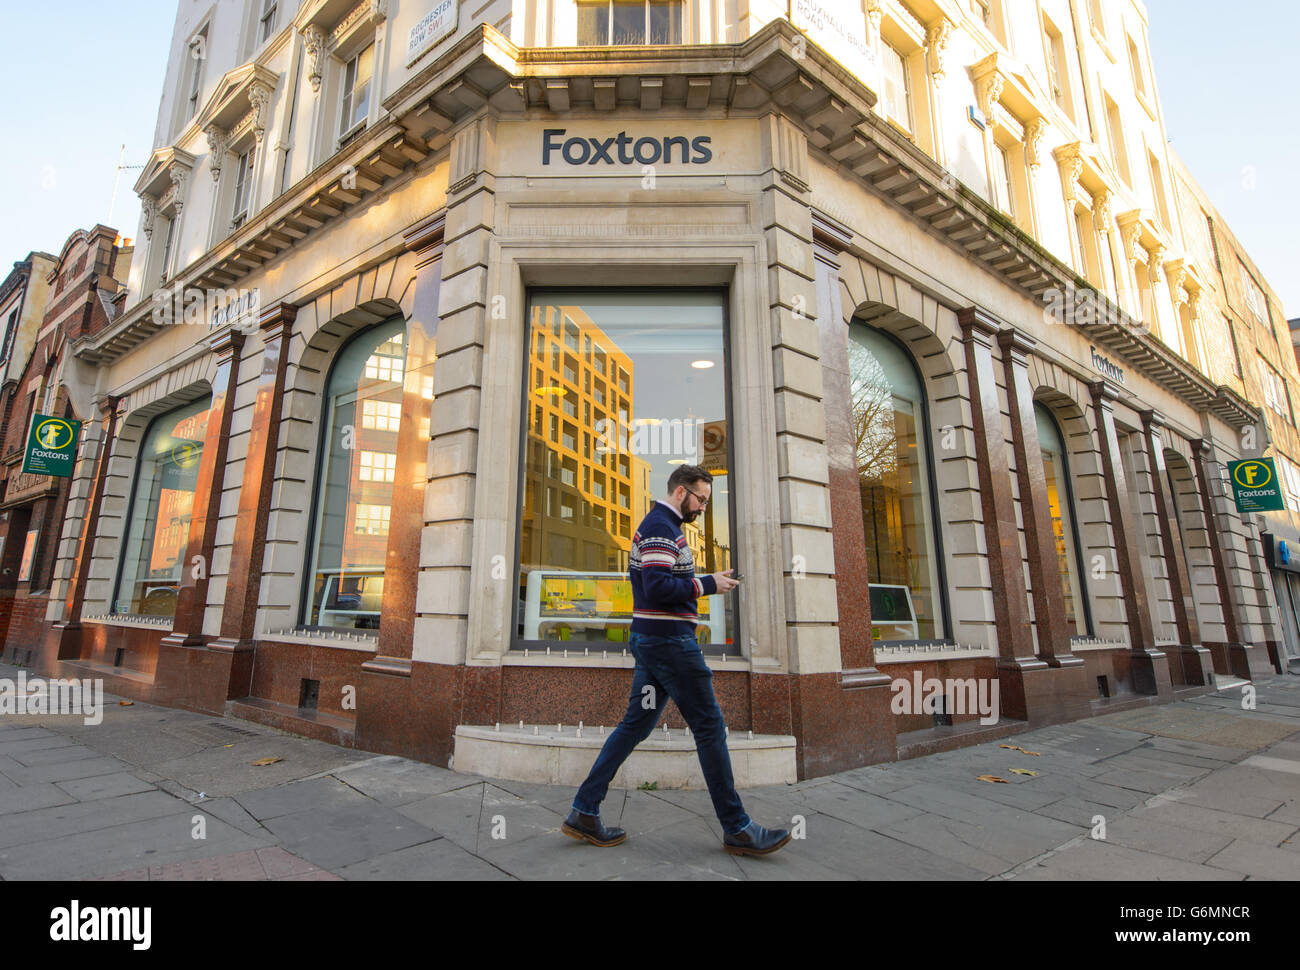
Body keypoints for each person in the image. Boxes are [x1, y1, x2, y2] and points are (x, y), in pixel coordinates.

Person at [562, 464, 791, 856]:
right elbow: (656, 587)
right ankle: (737, 828)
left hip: (655, 643)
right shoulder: (660, 527)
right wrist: (707, 584)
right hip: (669, 645)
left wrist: (709, 580)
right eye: (701, 499)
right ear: (682, 492)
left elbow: (666, 580)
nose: (703, 507)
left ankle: (584, 810)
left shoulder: (666, 530)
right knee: (709, 726)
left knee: (635, 726)